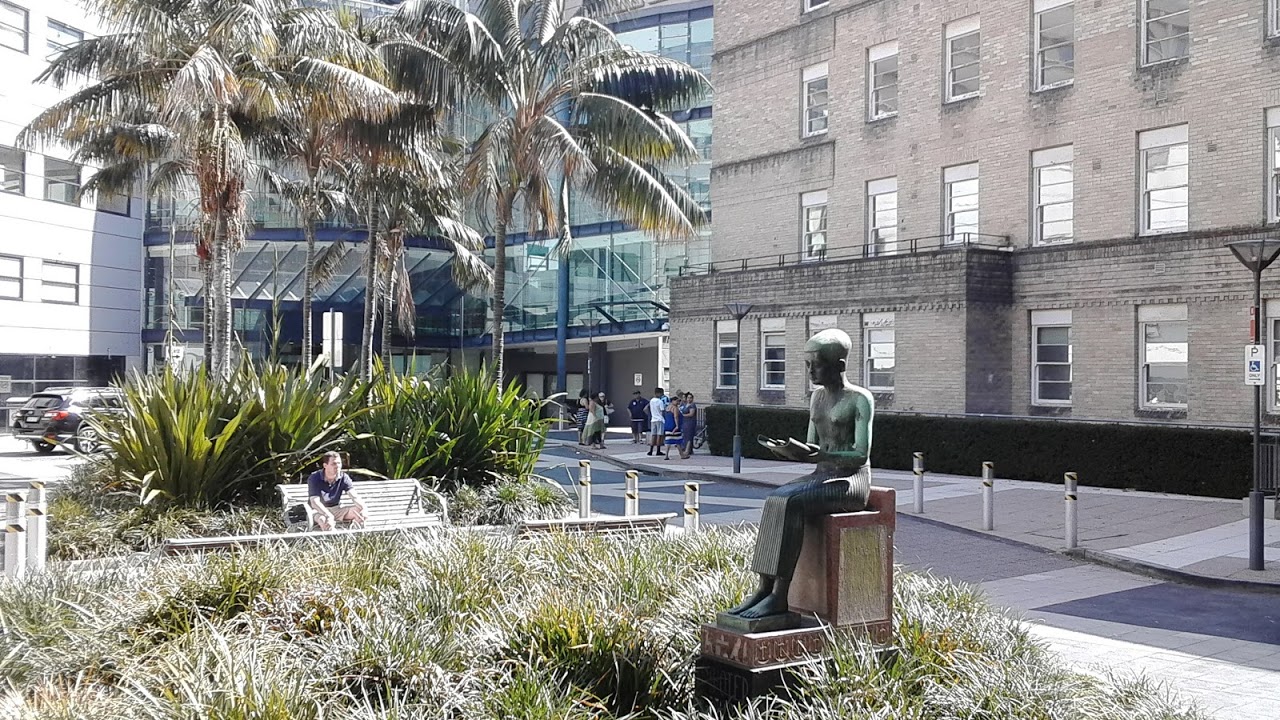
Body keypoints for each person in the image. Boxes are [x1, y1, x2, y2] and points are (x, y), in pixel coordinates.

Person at [725, 328, 873, 620]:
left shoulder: (860, 399)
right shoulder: (817, 397)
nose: (810, 371)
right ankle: (764, 588)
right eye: (808, 364)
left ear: (839, 365)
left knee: (792, 502)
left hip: (851, 481)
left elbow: (861, 454)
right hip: (822, 474)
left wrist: (824, 456)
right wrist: (790, 451)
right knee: (775, 498)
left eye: (816, 364)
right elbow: (812, 445)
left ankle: (780, 596)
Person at [307, 451, 366, 531]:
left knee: (359, 512)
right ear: (325, 465)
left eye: (339, 463)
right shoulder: (315, 477)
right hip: (319, 510)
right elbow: (314, 502)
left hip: (336, 508)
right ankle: (332, 537)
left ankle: (357, 536)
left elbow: (354, 496)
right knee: (324, 520)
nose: (337, 466)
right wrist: (328, 515)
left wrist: (363, 509)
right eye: (334, 464)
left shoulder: (343, 477)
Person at [646, 387, 667, 456]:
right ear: (658, 393)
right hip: (659, 419)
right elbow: (662, 411)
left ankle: (651, 450)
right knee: (659, 435)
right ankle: (658, 450)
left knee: (653, 435)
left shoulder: (651, 401)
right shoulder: (660, 401)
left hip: (653, 419)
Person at [680, 392, 699, 459]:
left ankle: (688, 450)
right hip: (684, 422)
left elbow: (691, 414)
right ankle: (685, 448)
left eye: (690, 398)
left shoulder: (692, 405)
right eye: (688, 398)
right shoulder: (685, 404)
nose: (689, 399)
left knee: (689, 436)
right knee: (684, 435)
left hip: (690, 422)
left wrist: (682, 415)